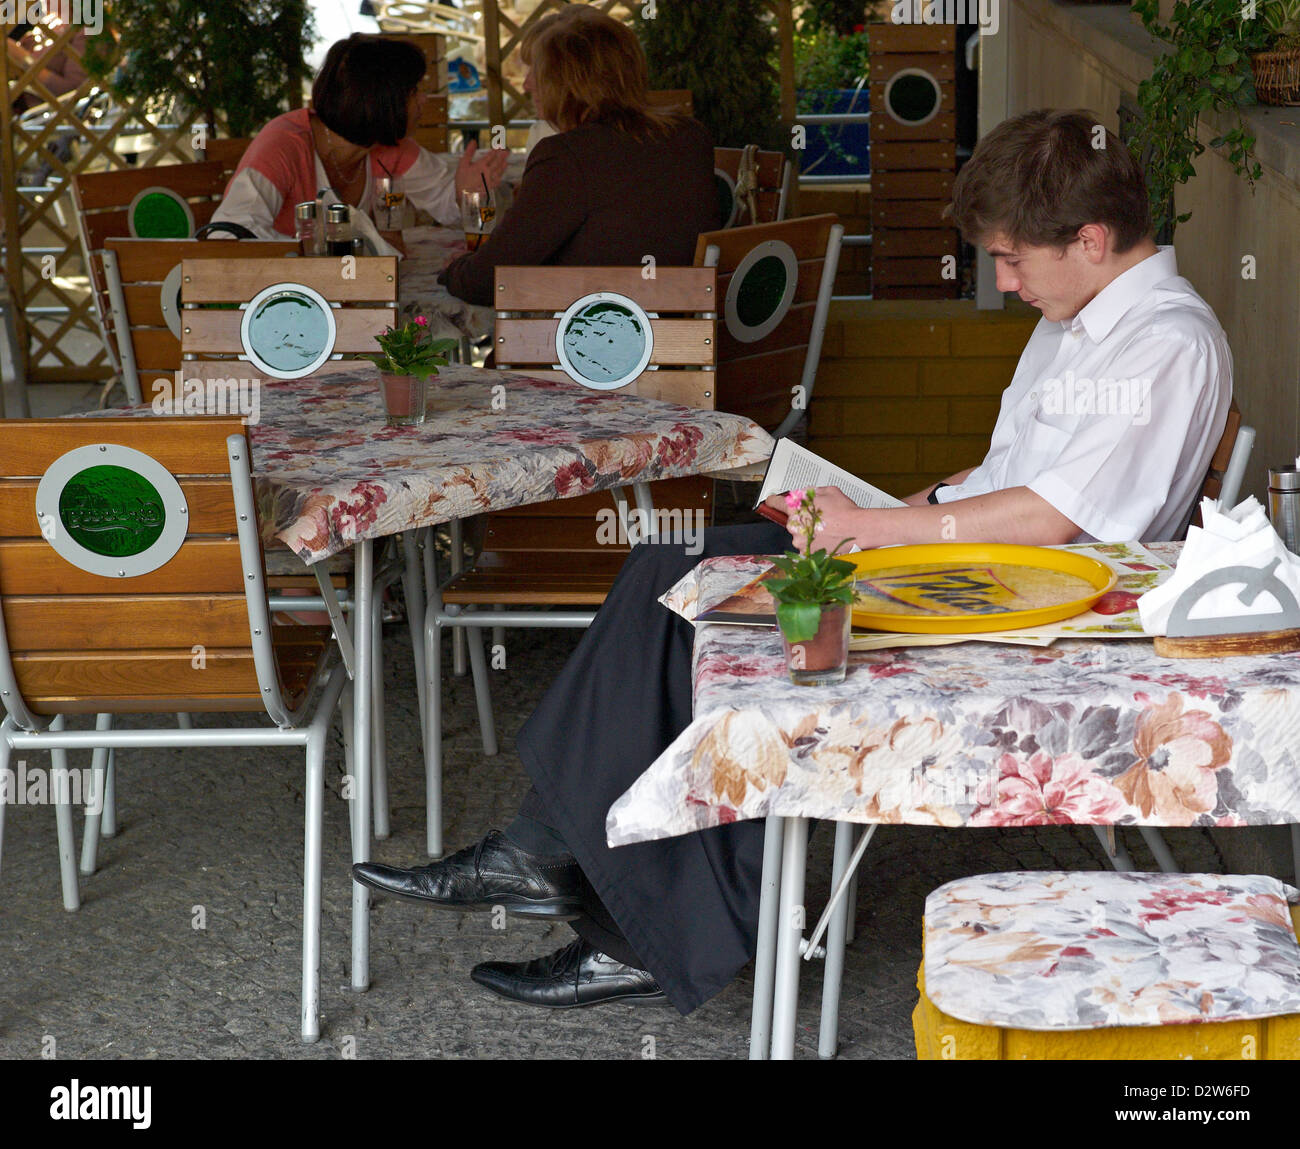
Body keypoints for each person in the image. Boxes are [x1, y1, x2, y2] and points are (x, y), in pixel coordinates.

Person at [354, 109, 1234, 1013]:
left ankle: (581, 887)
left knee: (720, 599)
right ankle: (555, 860)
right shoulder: (1082, 317)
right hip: (973, 571)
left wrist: (875, 530)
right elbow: (1010, 473)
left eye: (1011, 259)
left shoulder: (1166, 340)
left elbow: (1055, 517)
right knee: (680, 561)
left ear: (1089, 239)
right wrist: (894, 509)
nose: (1004, 281)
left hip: (1022, 616)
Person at [438, 6, 719, 307]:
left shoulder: (567, 157)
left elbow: (486, 281)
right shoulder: (690, 136)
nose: (527, 84)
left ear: (567, 82)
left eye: (537, 72)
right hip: (682, 339)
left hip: (594, 345)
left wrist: (455, 269)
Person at [210, 35, 507, 252]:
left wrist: (462, 192)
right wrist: (340, 251)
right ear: (381, 99)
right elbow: (228, 236)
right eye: (414, 90)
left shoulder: (389, 147)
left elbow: (447, 204)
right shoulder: (285, 143)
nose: (424, 100)